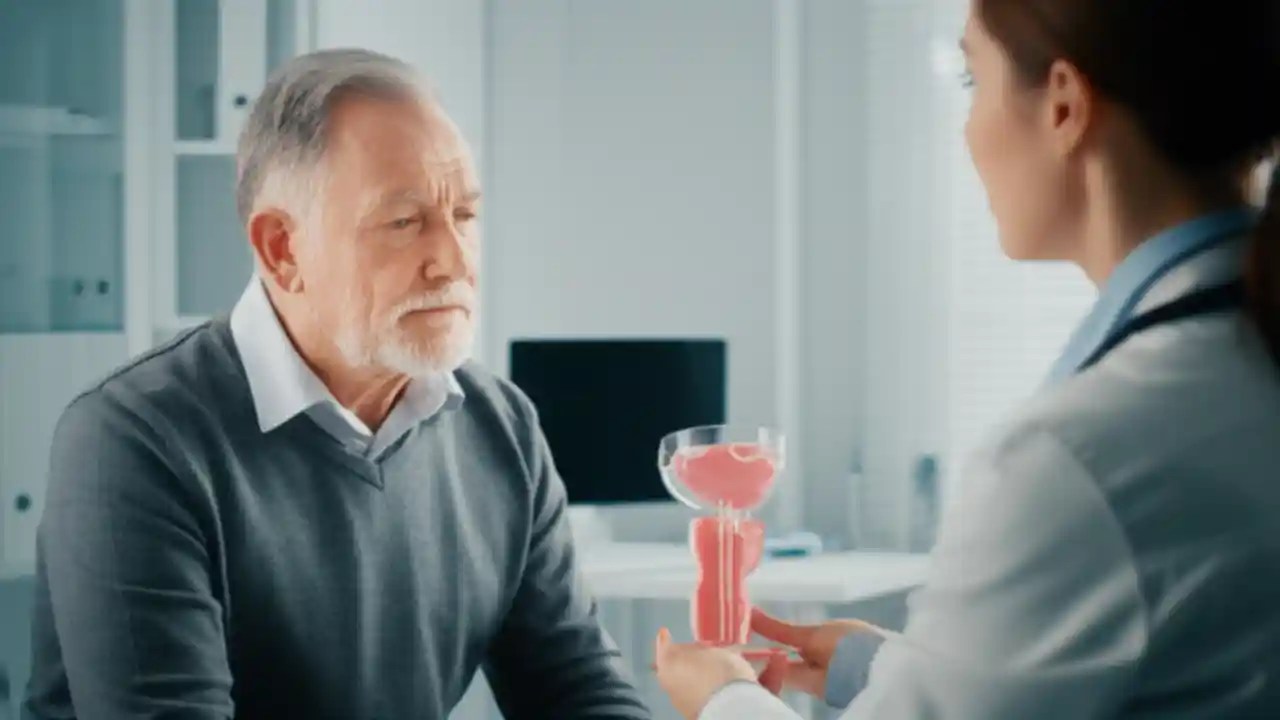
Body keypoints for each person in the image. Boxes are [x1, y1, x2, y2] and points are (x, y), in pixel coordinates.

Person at [655, 1, 1280, 718]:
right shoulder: (1235, 365)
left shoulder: (1078, 457)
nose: (967, 130)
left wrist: (723, 699)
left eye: (970, 83)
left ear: (1064, 106)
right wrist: (890, 669)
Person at [24, 49, 650, 720]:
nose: (454, 261)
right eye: (404, 222)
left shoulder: (503, 426)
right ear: (281, 250)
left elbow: (577, 688)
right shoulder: (133, 440)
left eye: (464, 216)